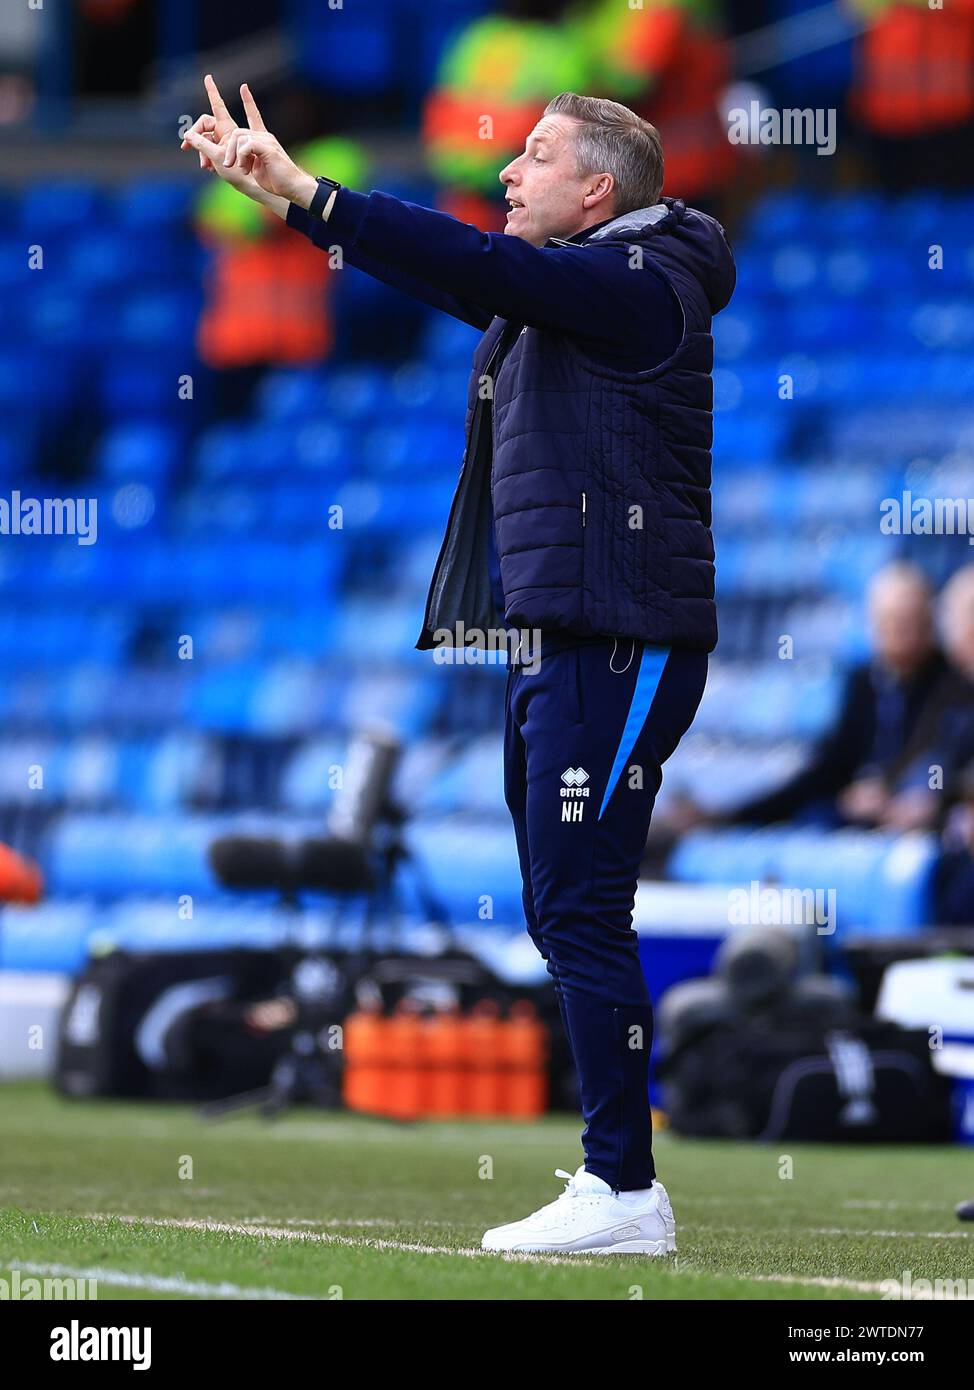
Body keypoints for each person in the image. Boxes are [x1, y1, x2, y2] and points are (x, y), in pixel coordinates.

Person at [183, 76, 736, 1256]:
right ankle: (614, 1177)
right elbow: (459, 273)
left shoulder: (639, 284)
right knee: (558, 903)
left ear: (597, 189)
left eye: (532, 156)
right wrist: (293, 199)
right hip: (552, 631)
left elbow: (481, 268)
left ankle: (622, 1187)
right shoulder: (571, 293)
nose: (504, 172)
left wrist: (320, 191)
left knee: (581, 902)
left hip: (614, 634)